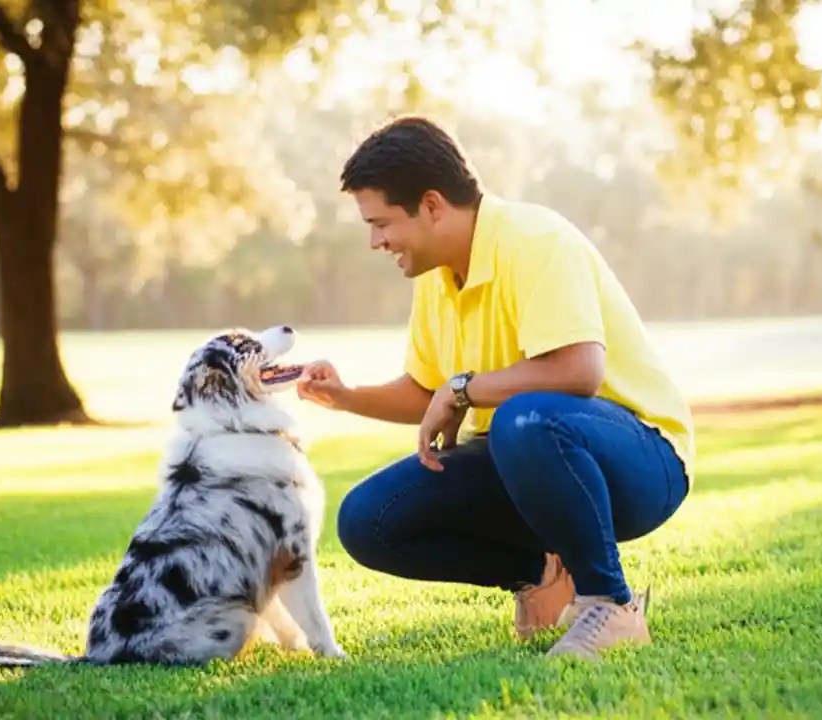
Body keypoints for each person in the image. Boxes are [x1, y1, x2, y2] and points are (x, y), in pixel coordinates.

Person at [295, 116, 694, 661]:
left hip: (641, 462)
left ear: (432, 206)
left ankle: (611, 604)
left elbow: (578, 371)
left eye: (381, 222)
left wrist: (462, 389)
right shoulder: (437, 274)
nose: (375, 241)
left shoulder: (536, 240)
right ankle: (543, 573)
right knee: (369, 520)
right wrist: (345, 396)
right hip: (524, 463)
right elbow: (426, 392)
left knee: (523, 418)